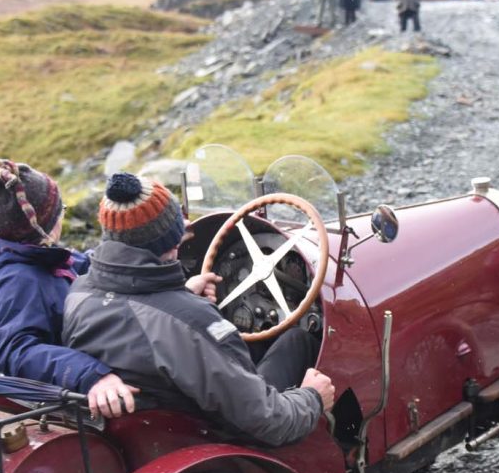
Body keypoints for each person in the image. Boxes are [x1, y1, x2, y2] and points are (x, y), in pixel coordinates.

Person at [64, 173, 335, 445]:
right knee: (298, 340)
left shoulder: (80, 291)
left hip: (151, 427)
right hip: (219, 435)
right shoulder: (188, 322)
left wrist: (182, 295)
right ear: (172, 242)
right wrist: (312, 398)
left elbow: (140, 321)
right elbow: (268, 420)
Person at [0, 160, 135, 406]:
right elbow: (18, 352)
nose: (62, 215)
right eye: (60, 210)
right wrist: (90, 375)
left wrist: (147, 244)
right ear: (45, 227)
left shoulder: (33, 256)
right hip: (46, 401)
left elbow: (86, 265)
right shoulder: (17, 279)